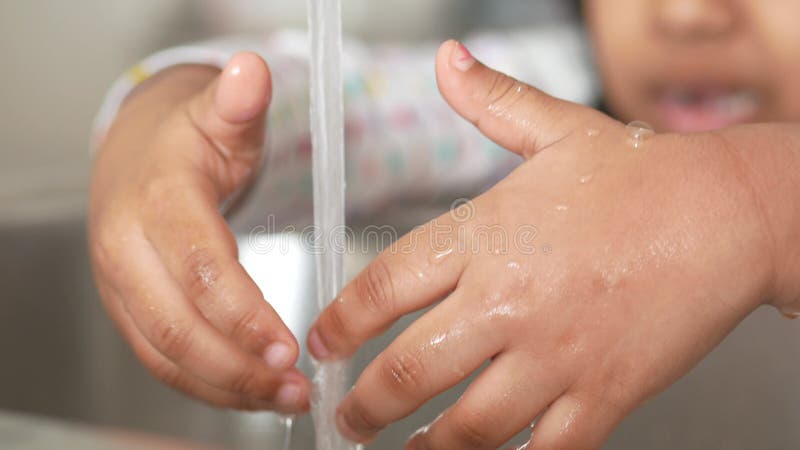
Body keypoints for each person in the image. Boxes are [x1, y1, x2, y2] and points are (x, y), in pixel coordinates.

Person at [88, 1, 800, 449]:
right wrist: (162, 121)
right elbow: (343, 112)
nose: (685, 13)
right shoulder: (543, 94)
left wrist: (754, 198)